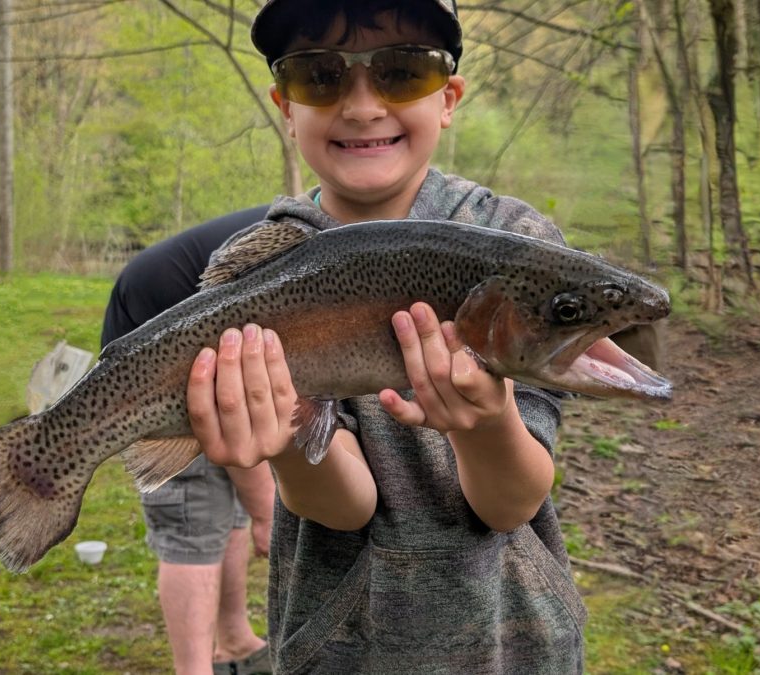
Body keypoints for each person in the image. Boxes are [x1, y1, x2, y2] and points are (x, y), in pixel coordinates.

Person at [186, 0, 587, 671]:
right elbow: (344, 508)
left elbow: (513, 500)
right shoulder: (261, 266)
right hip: (341, 650)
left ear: (449, 97)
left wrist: (487, 425)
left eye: (402, 72)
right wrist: (283, 437)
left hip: (509, 646)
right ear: (286, 106)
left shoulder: (518, 251)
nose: (363, 104)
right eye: (321, 76)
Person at [102, 207, 276, 675]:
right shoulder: (316, 228)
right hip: (160, 338)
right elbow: (234, 411)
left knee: (230, 511)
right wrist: (266, 513)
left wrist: (255, 509)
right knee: (192, 519)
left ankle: (235, 641)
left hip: (210, 329)